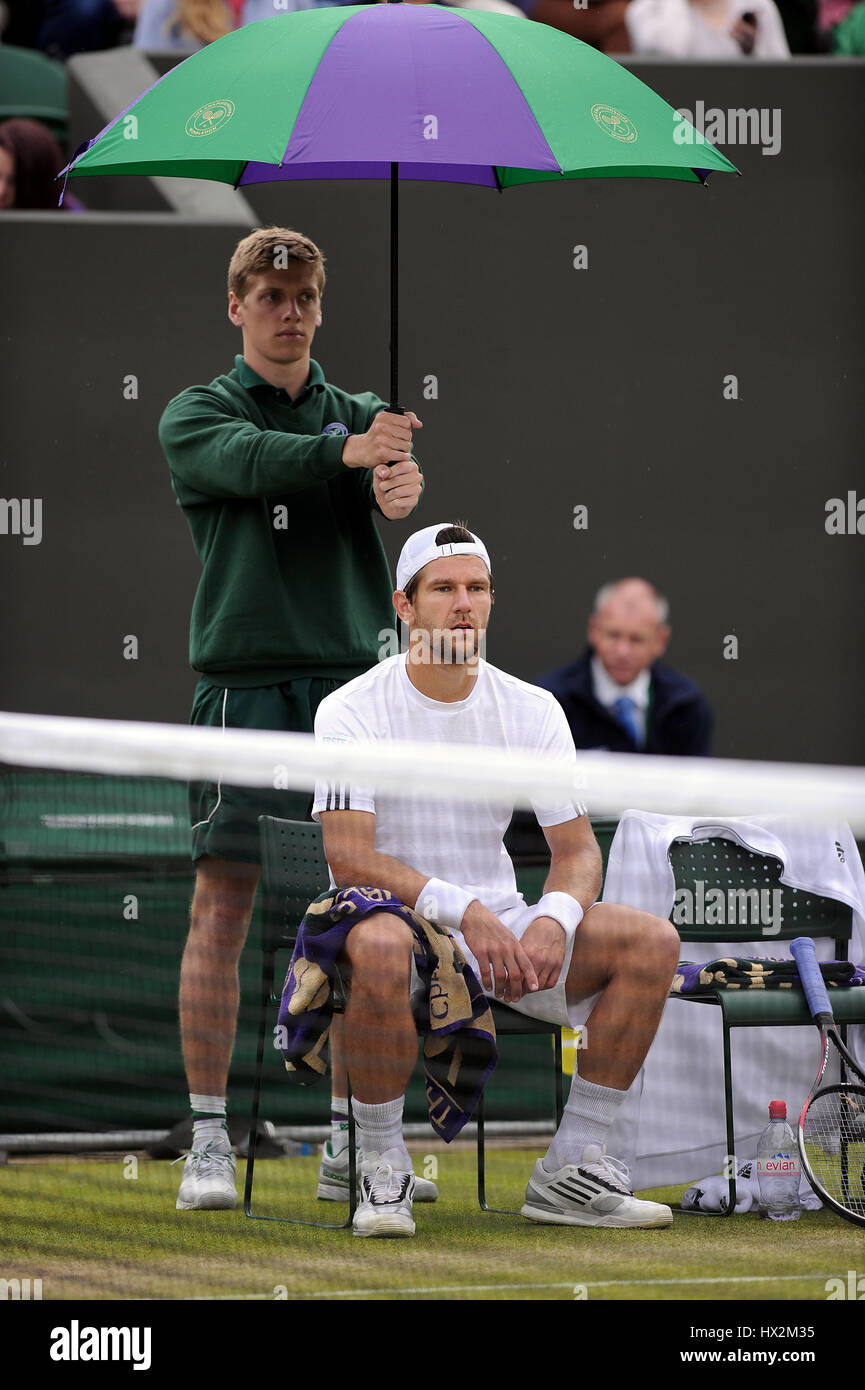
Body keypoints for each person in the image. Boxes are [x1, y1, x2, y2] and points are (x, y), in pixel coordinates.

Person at [294, 521, 680, 1237]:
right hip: (392, 923)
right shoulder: (347, 710)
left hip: (498, 926)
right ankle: (380, 1167)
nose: (462, 603)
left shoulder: (533, 710)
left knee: (650, 941)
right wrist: (465, 911)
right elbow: (351, 861)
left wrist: (552, 919)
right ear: (404, 607)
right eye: (443, 589)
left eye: (476, 588)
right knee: (376, 943)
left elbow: (576, 853)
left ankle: (570, 1170)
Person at [159, 224, 423, 1211]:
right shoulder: (195, 413)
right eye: (269, 294)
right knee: (221, 908)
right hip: (244, 694)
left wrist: (395, 477)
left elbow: (393, 498)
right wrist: (350, 448)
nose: (288, 310)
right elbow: (254, 461)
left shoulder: (361, 412)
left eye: (303, 295)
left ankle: (351, 1143)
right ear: (235, 306)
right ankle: (209, 1143)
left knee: (368, 916)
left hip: (353, 704)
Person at [535, 577, 713, 757]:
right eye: (613, 635)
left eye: (636, 639)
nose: (622, 651)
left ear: (661, 640)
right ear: (593, 630)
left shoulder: (686, 706)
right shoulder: (551, 701)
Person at [625, 0, 791, 56]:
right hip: (678, 121)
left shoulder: (757, 6)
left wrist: (752, 53)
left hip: (743, 120)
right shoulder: (649, 8)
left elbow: (782, 79)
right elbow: (668, 50)